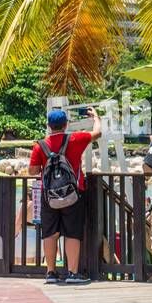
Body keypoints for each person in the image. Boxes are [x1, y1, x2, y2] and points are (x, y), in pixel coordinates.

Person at [28, 107, 101, 284]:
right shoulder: (75, 138)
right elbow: (97, 133)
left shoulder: (40, 145)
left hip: (49, 196)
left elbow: (32, 171)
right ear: (65, 124)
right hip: (73, 194)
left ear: (49, 126)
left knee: (50, 233)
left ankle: (51, 273)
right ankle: (73, 273)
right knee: (72, 233)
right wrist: (96, 117)